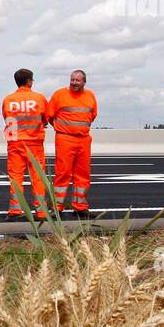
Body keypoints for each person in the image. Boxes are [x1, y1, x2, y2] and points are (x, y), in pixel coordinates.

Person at [46, 69, 98, 216]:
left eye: (77, 80)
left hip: (83, 139)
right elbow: (50, 115)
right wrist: (61, 127)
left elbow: (92, 115)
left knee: (83, 174)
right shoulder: (59, 95)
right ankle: (57, 208)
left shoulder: (90, 96)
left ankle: (80, 207)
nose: (74, 82)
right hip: (65, 139)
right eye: (72, 79)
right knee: (63, 173)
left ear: (84, 82)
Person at [0, 68, 48, 220]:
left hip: (15, 143)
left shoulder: (8, 99)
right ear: (28, 81)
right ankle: (41, 212)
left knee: (16, 177)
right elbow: (46, 119)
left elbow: (6, 118)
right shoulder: (39, 98)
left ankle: (15, 210)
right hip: (34, 143)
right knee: (38, 178)